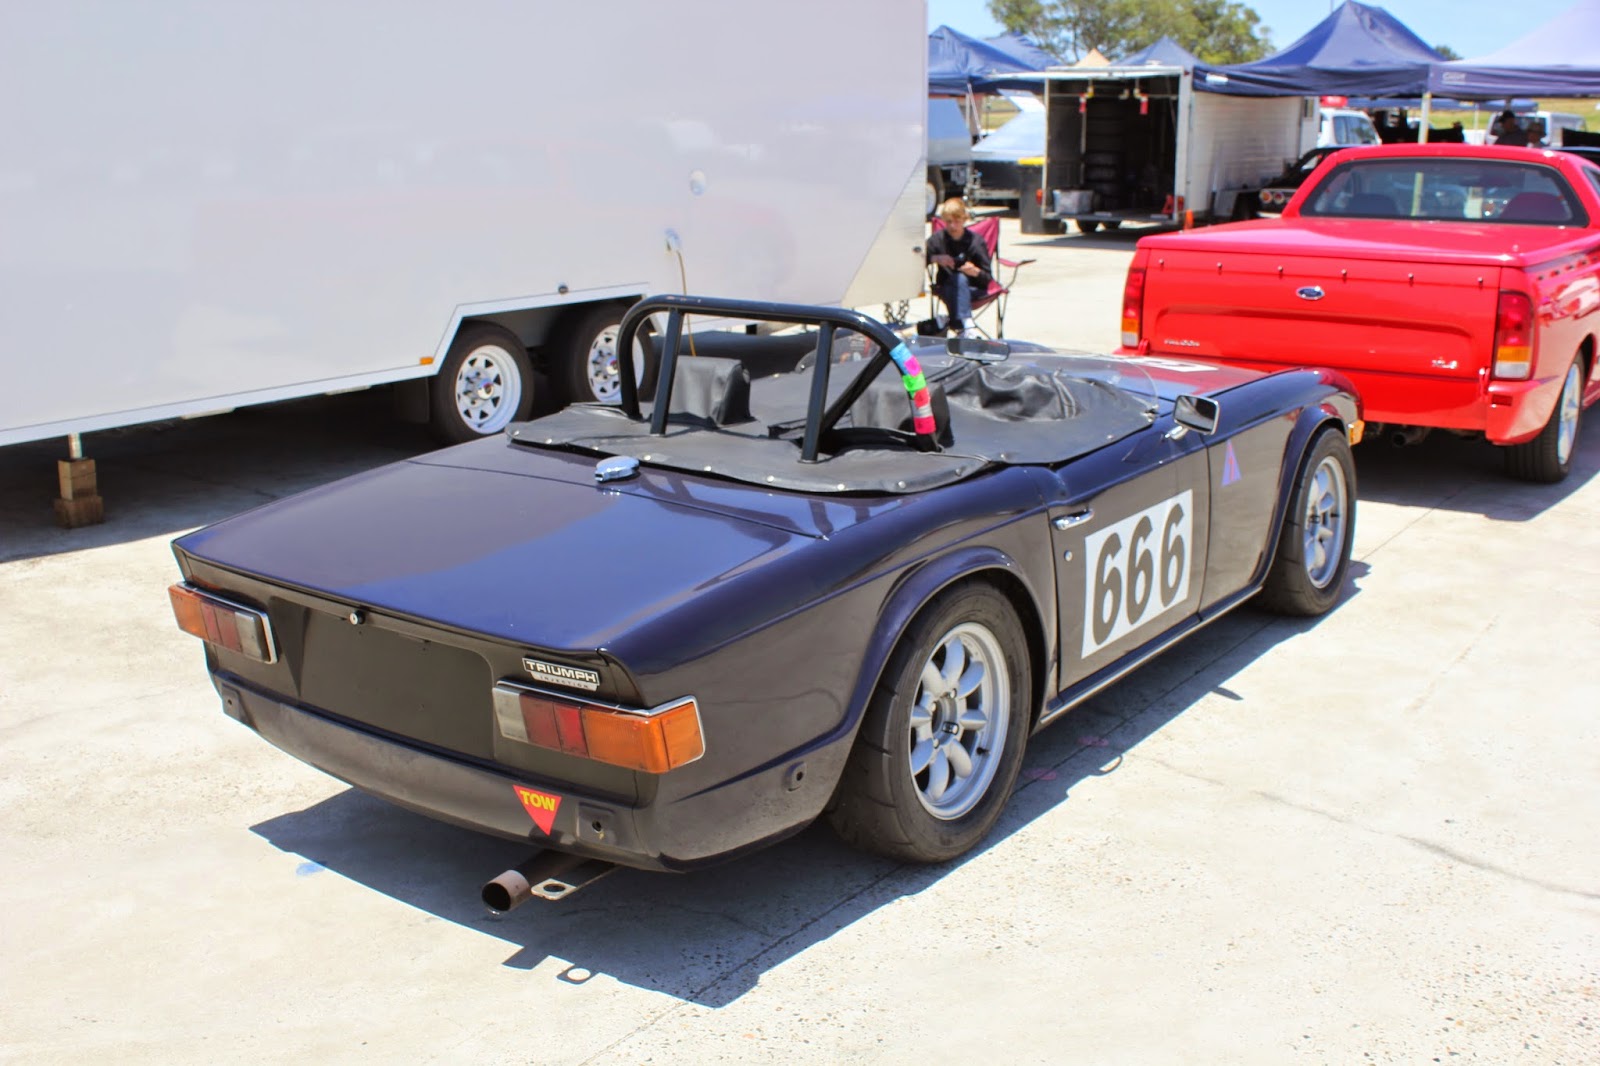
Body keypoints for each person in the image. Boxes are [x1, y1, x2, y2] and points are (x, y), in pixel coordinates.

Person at [924, 198, 992, 338]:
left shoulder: (975, 241)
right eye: (949, 222)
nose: (953, 226)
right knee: (957, 280)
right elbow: (919, 259)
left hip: (974, 289)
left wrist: (975, 272)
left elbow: (987, 278)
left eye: (957, 221)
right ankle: (966, 325)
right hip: (946, 286)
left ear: (964, 219)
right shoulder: (938, 240)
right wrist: (935, 258)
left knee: (960, 279)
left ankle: (957, 325)